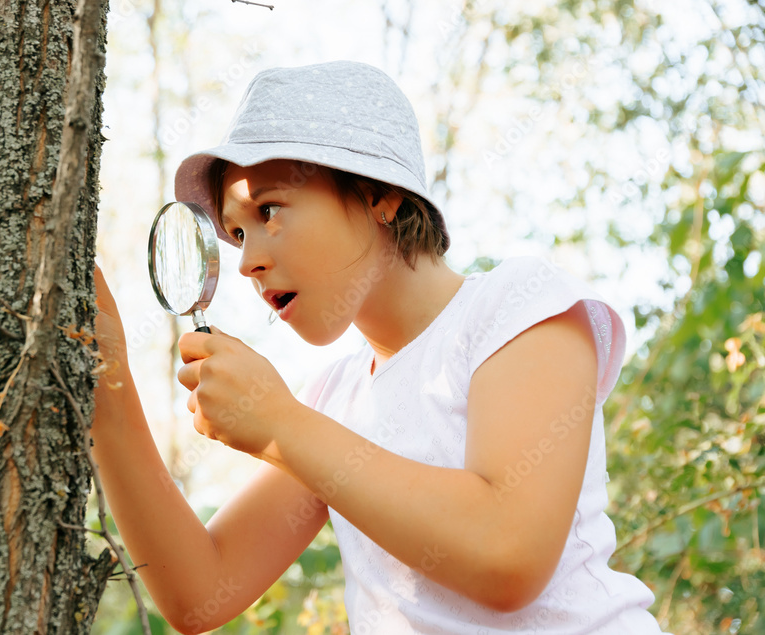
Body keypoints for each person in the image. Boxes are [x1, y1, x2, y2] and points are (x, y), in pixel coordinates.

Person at [90, 60, 666, 634]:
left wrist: (278, 425)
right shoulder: (333, 399)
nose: (246, 261)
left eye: (269, 210)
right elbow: (200, 592)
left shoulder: (521, 304)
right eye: (237, 233)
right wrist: (106, 386)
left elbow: (508, 554)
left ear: (380, 195)